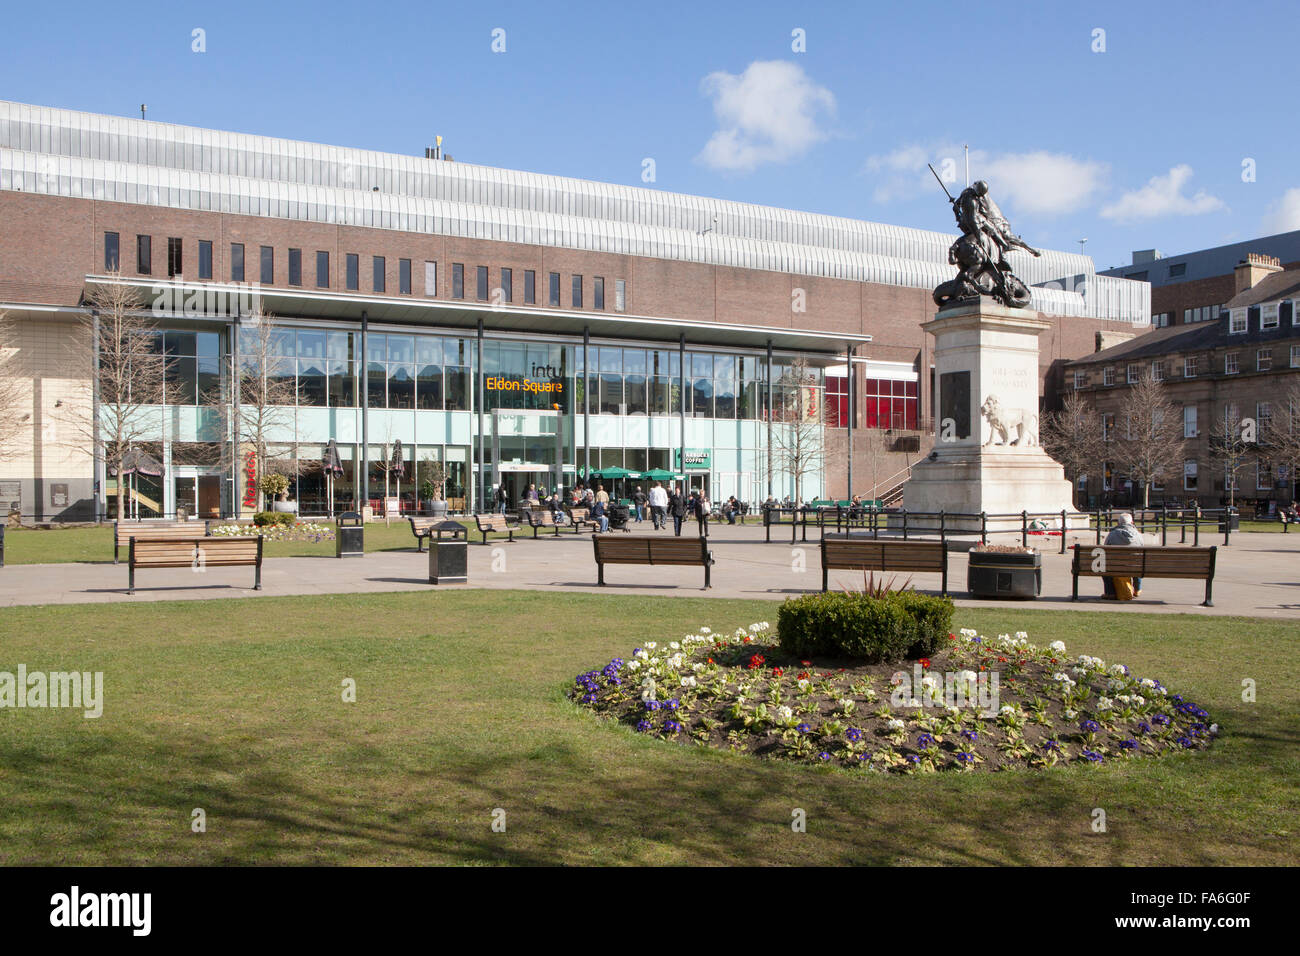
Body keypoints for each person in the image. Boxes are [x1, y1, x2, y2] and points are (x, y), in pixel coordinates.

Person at [1103, 512, 1144, 599]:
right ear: (1132, 523)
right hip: (1134, 566)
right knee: (1138, 564)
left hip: (1116, 566)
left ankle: (1110, 592)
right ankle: (1137, 589)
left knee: (1104, 566)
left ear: (1118, 523)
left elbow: (1105, 549)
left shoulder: (1112, 534)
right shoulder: (1138, 535)